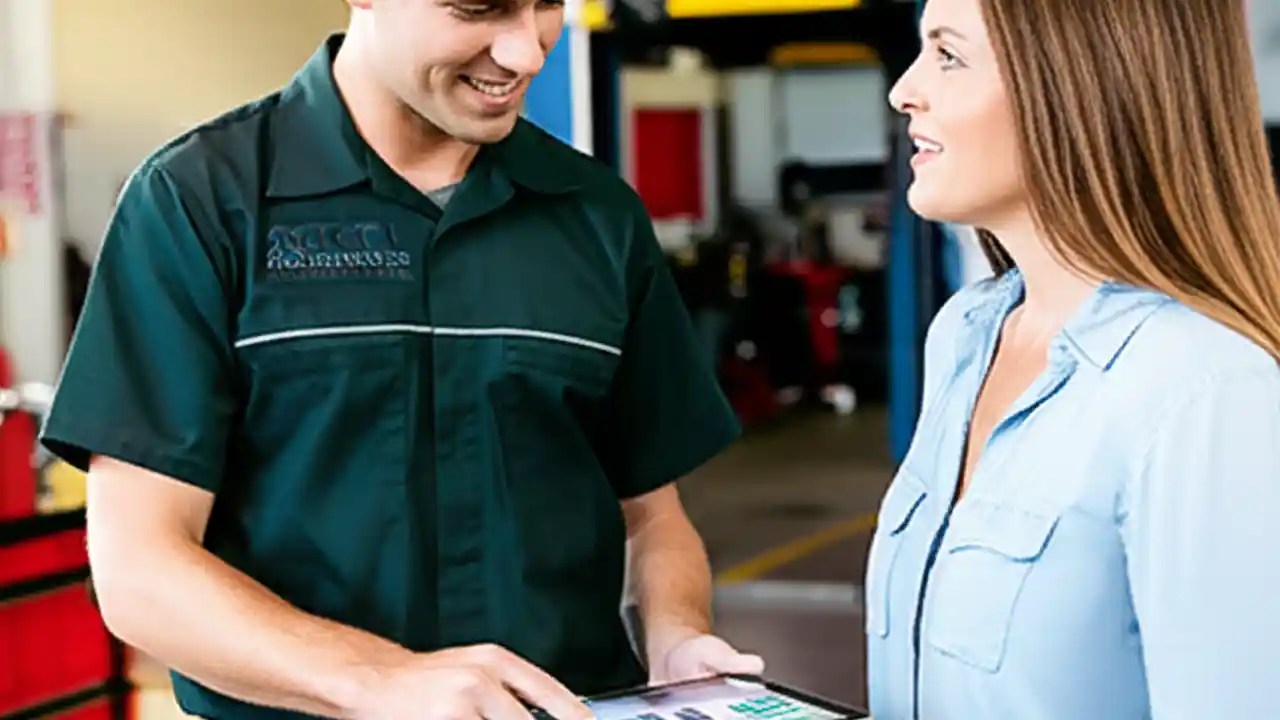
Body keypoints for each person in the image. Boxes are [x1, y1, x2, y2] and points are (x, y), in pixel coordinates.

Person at [39, 2, 765, 718]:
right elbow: (140, 568)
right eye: (478, 8)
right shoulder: (201, 204)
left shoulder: (598, 216)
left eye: (547, 4)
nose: (527, 53)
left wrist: (676, 639)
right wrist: (378, 681)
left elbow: (650, 518)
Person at [866, 0, 1280, 718]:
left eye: (949, 54)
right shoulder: (967, 334)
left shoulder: (1204, 393)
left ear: (1076, 84)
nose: (905, 89)